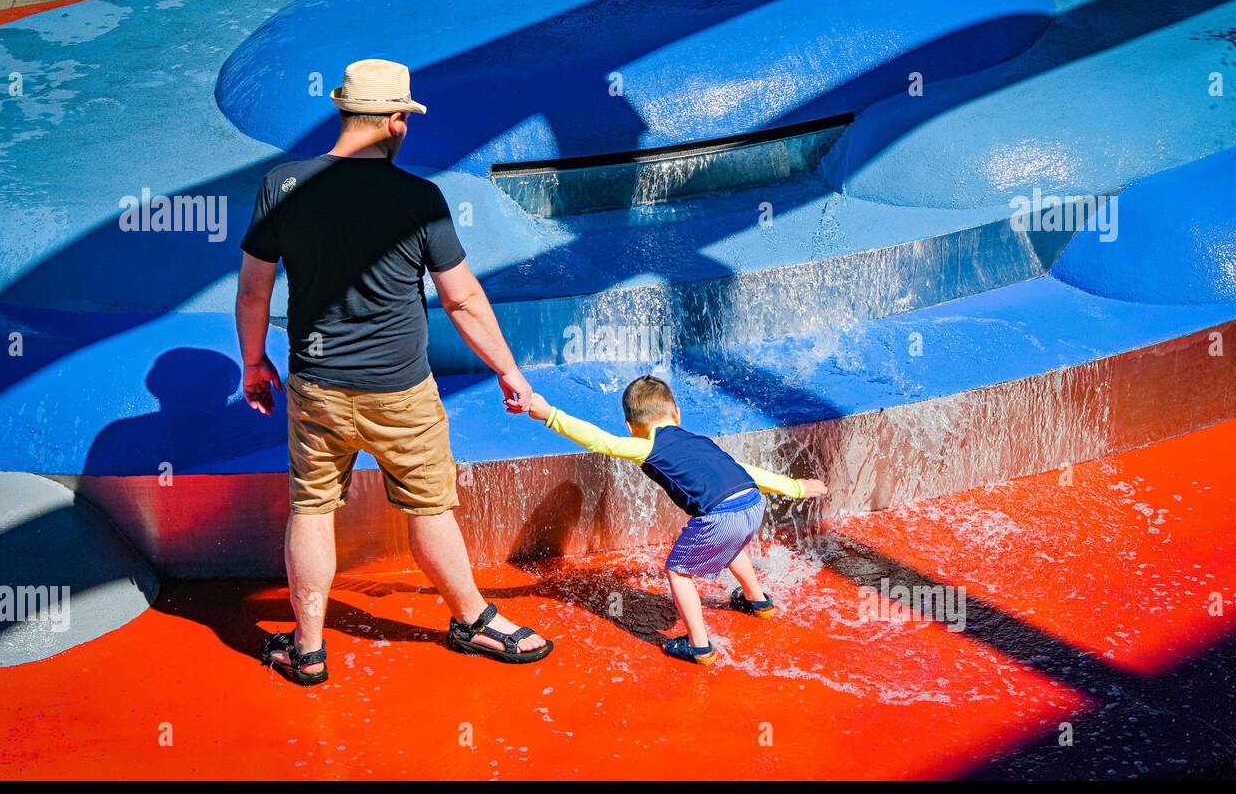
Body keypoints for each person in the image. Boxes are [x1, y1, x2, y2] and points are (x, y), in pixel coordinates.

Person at [236, 59, 552, 685]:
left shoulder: (283, 185)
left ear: (346, 112)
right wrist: (510, 371)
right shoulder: (418, 199)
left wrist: (252, 362)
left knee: (313, 508)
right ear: (397, 121)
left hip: (314, 389)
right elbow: (462, 300)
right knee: (430, 508)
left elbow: (252, 293)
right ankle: (471, 620)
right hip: (400, 393)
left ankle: (307, 648)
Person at [527, 375, 826, 666]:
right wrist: (795, 487)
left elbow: (601, 442)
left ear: (632, 428)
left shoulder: (646, 446)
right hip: (751, 502)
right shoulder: (701, 442)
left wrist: (550, 415)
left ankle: (698, 645)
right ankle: (758, 600)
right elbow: (747, 472)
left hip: (720, 514)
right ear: (677, 414)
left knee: (678, 570)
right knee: (731, 545)